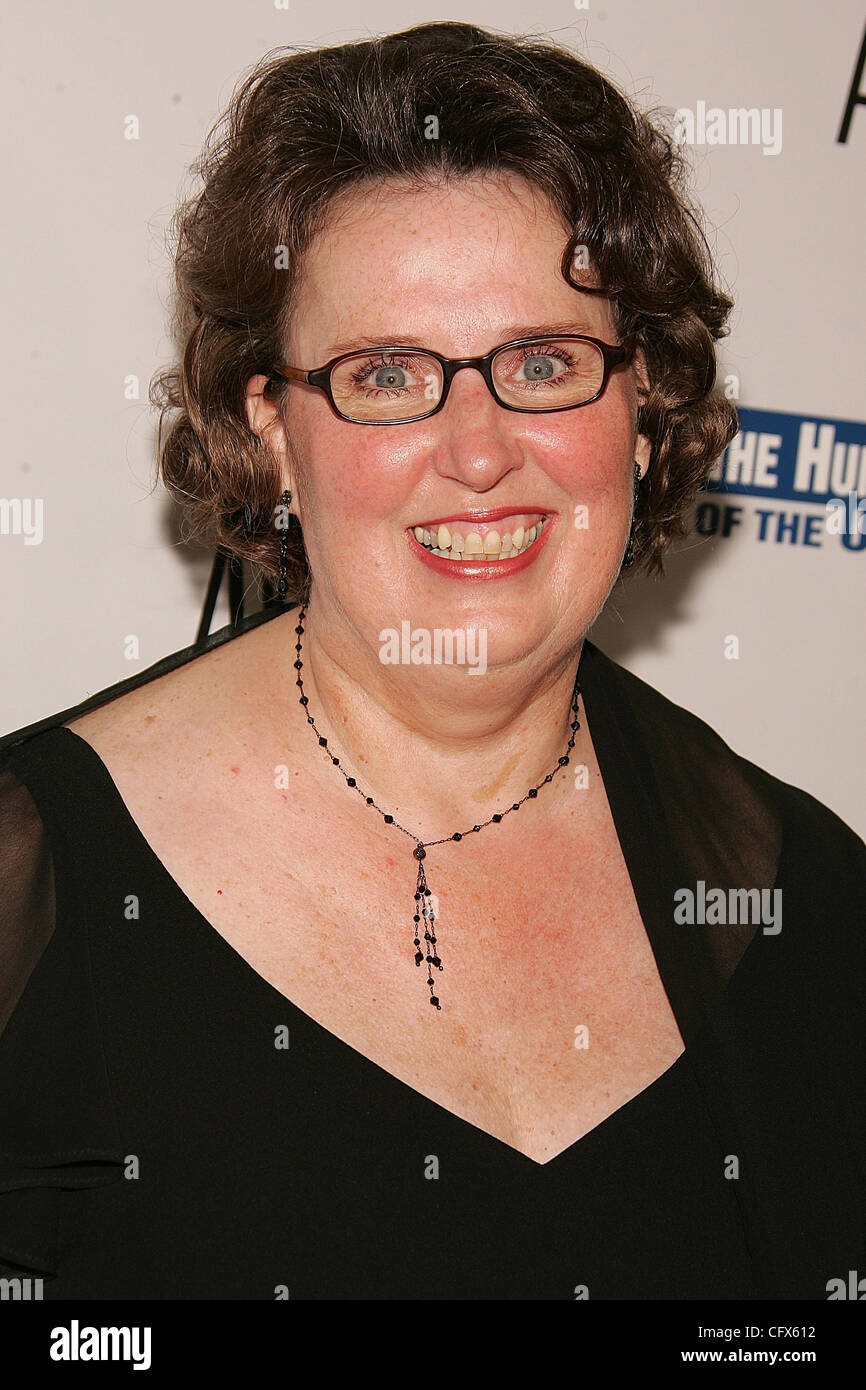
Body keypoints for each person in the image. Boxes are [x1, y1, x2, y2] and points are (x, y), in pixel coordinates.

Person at [1, 20, 863, 1302]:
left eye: (542, 363)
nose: (477, 448)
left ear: (640, 410)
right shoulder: (33, 883)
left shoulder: (808, 909)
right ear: (272, 429)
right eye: (388, 373)